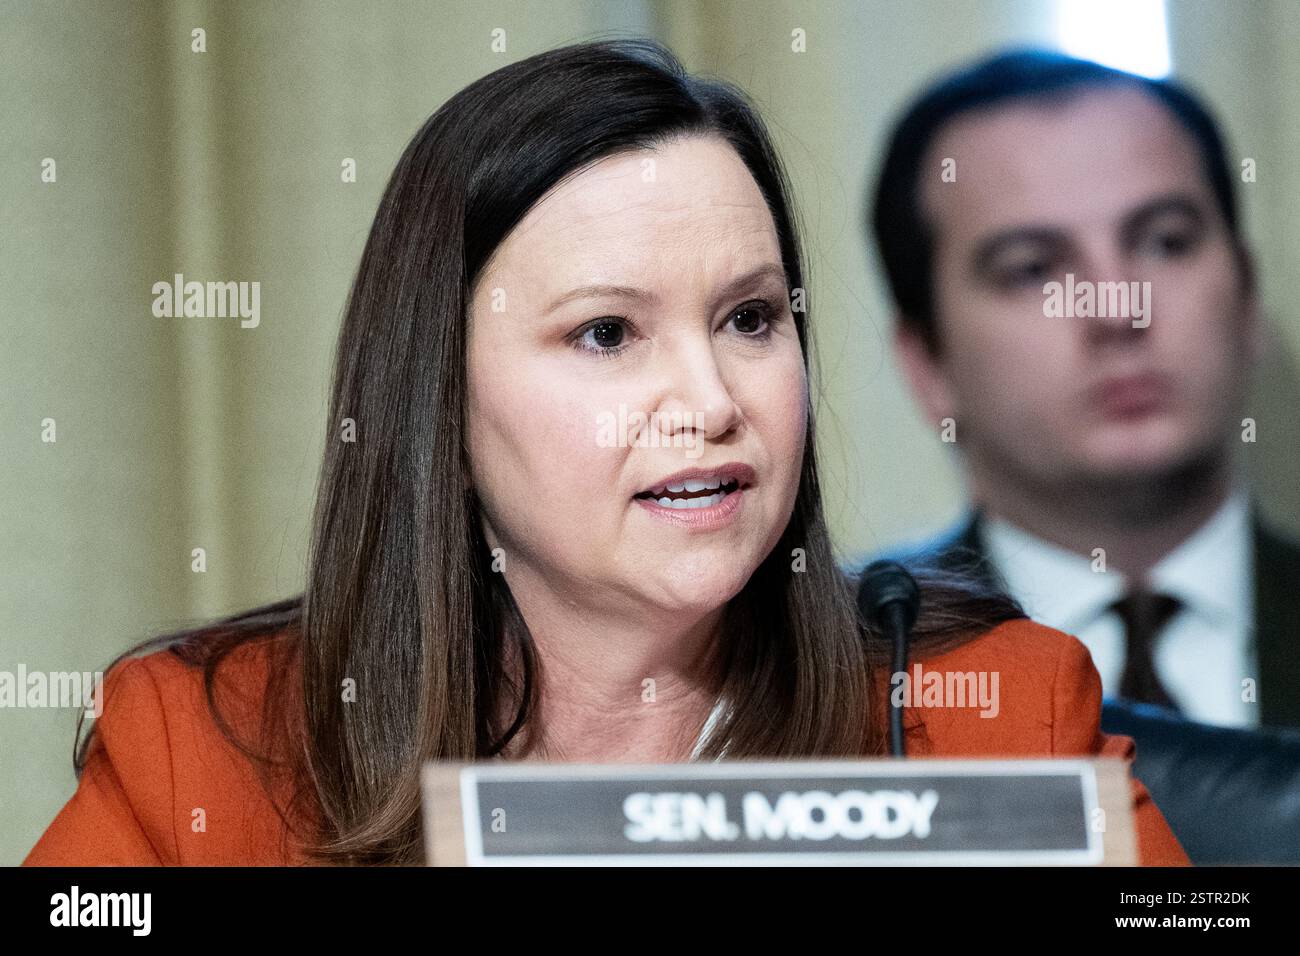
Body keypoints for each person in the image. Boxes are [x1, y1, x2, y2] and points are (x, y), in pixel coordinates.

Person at [24, 39, 1186, 866]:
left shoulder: (993, 710)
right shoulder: (203, 748)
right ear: (441, 402)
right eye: (606, 332)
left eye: (749, 318)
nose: (711, 399)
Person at [870, 49, 1300, 730]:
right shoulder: (841, 674)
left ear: (1247, 296)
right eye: (1033, 269)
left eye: (1164, 242)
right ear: (928, 364)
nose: (1115, 310)